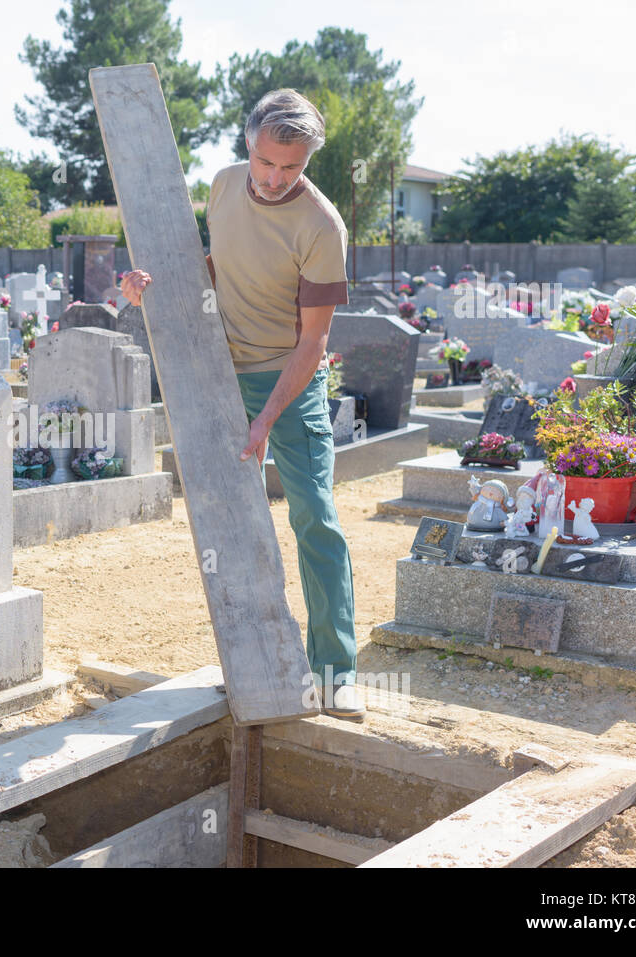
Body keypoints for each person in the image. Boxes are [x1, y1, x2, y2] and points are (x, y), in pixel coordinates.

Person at [120, 88, 362, 721]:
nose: (278, 179)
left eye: (294, 167)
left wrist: (266, 416)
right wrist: (149, 284)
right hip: (217, 373)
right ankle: (255, 661)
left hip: (290, 381)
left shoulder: (321, 226)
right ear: (248, 146)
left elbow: (314, 343)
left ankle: (337, 674)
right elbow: (215, 269)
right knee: (229, 522)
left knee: (315, 518)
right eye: (267, 163)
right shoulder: (225, 186)